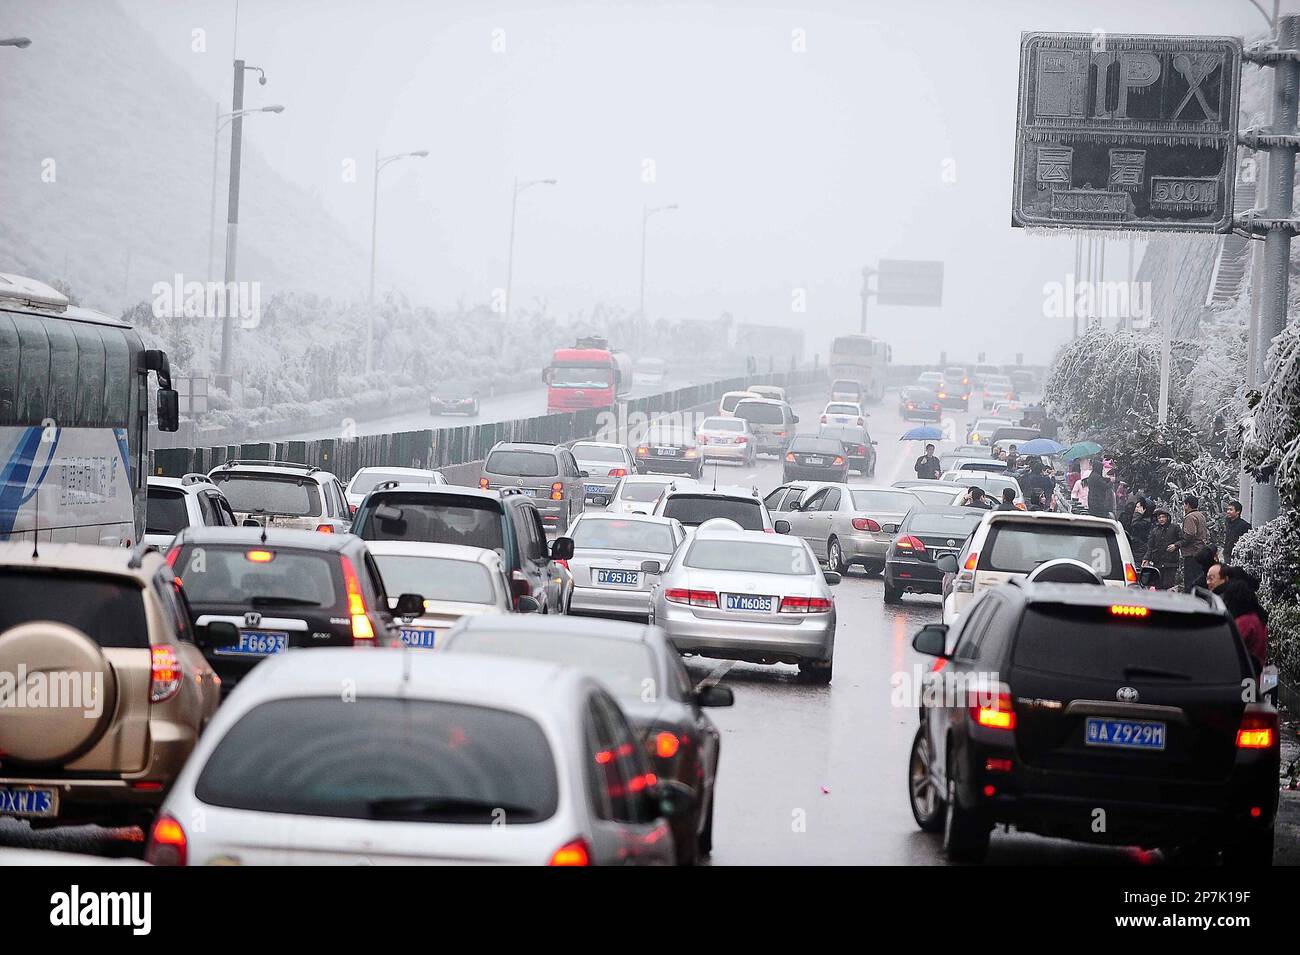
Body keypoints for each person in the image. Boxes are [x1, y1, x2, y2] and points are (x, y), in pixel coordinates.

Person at [1220, 580, 1268, 674]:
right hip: (1257, 675)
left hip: (1244, 676)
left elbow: (1227, 649)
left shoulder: (1244, 622)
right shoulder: (1258, 618)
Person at [1144, 508, 1182, 590]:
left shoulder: (1175, 527)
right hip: (1158, 563)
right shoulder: (1155, 531)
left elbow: (1183, 540)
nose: (1161, 519)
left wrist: (1176, 545)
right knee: (1158, 586)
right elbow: (1150, 546)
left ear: (1168, 517)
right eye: (1159, 517)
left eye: (1163, 517)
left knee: (1168, 585)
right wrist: (1146, 558)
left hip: (1171, 563)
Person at [1178, 494, 1209, 593]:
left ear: (1187, 505)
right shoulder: (1201, 515)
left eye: (1184, 505)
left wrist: (1180, 543)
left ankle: (1190, 600)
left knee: (1190, 580)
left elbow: (1190, 534)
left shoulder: (1190, 517)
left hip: (1192, 553)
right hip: (1201, 551)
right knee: (1198, 578)